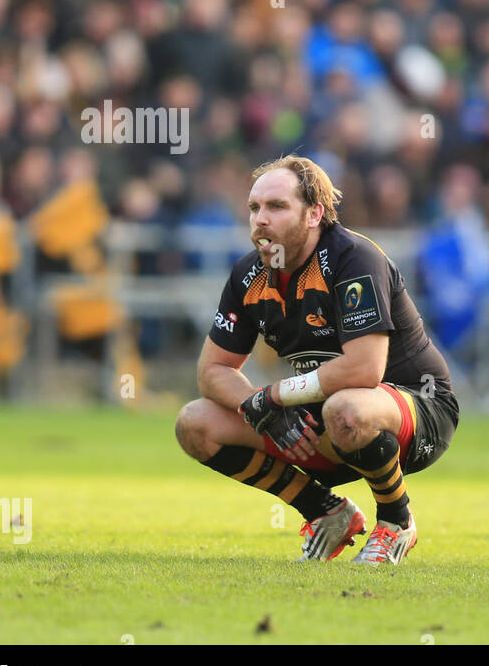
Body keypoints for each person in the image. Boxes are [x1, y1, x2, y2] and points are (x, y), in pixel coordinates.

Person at [173, 155, 459, 564]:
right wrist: (263, 411)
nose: (260, 219)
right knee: (194, 423)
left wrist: (273, 397)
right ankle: (326, 513)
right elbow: (213, 371)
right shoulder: (247, 276)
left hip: (417, 410)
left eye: (276, 206)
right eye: (254, 208)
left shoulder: (354, 258)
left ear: (314, 214)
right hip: (325, 415)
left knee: (346, 408)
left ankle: (397, 522)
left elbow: (364, 370)